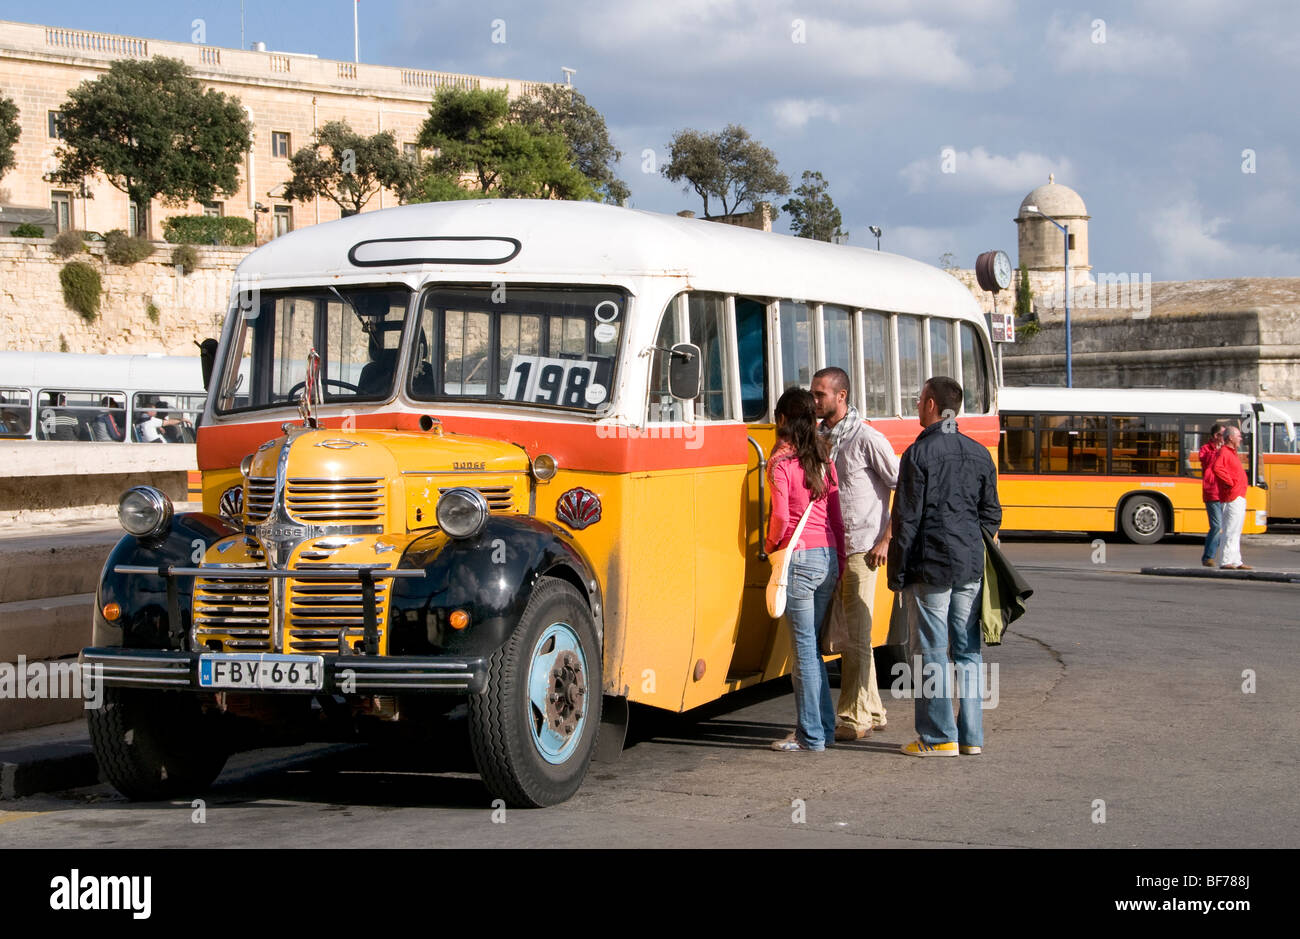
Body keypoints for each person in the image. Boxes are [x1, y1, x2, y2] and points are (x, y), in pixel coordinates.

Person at [888, 376, 1001, 758]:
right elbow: (991, 515)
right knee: (968, 652)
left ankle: (939, 737)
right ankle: (971, 737)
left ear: (933, 405)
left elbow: (906, 522)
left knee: (932, 653)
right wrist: (971, 542)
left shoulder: (917, 456)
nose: (918, 405)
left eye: (920, 400)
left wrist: (897, 574)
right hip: (969, 566)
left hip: (930, 568)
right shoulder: (979, 453)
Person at [811, 366, 899, 740]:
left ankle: (853, 717)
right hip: (834, 546)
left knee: (855, 637)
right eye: (813, 394)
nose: (815, 401)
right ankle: (875, 710)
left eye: (820, 395)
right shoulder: (820, 438)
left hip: (865, 548)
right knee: (852, 633)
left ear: (841, 396)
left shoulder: (867, 438)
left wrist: (887, 540)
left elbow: (906, 487)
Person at [766, 387, 847, 752]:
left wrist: (769, 546)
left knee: (803, 652)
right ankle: (824, 729)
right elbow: (835, 515)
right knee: (812, 649)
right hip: (827, 556)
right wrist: (841, 560)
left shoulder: (780, 463)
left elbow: (781, 515)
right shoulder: (822, 457)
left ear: (782, 420)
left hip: (798, 560)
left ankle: (810, 735)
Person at [1212, 425, 1250, 570]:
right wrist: (1231, 483)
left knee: (1236, 530)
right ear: (1230, 438)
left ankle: (1236, 560)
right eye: (1238, 436)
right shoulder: (1224, 452)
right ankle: (1226, 560)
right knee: (1230, 529)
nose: (1241, 439)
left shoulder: (1231, 453)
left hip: (1238, 495)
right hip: (1232, 496)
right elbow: (1217, 468)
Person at [1199, 423, 1225, 567]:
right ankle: (1208, 557)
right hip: (1212, 492)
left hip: (1225, 493)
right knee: (1216, 526)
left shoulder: (1226, 450)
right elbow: (1208, 463)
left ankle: (1216, 556)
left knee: (1222, 527)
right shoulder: (1205, 449)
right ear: (1216, 436)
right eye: (1223, 434)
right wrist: (1219, 451)